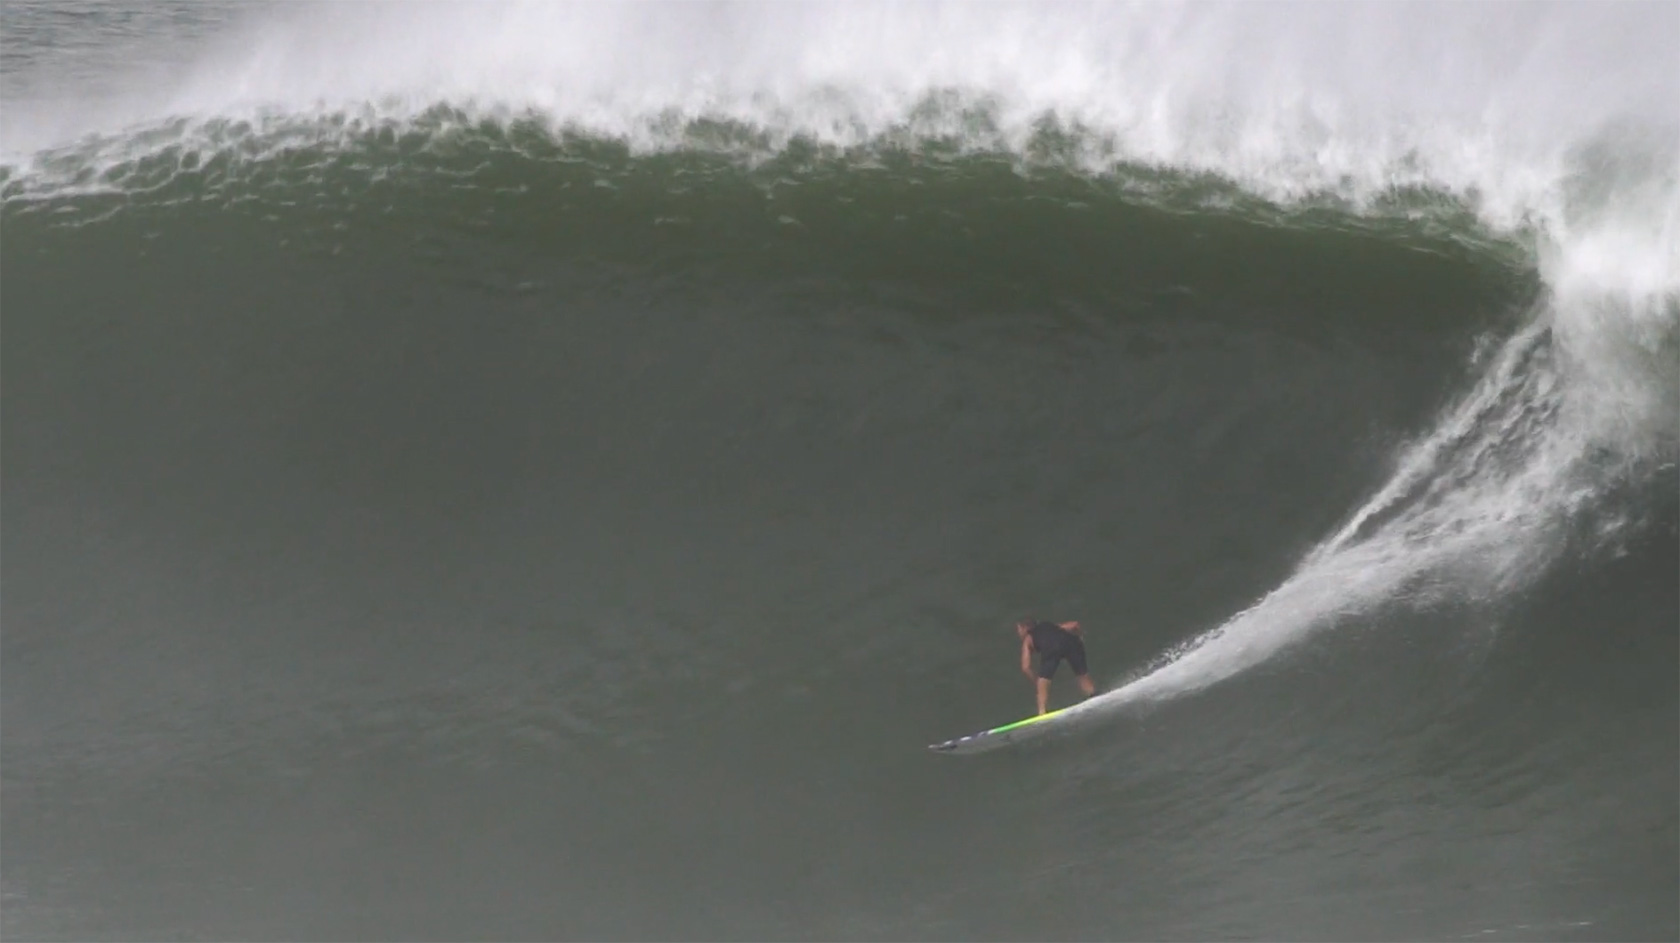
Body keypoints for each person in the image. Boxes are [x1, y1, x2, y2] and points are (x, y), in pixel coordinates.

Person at [1017, 618, 1095, 715]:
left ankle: (1042, 712)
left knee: (1042, 683)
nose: (1018, 633)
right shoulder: (1051, 626)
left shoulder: (1028, 638)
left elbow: (1026, 667)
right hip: (1072, 642)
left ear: (1025, 628)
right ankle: (1093, 695)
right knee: (1082, 674)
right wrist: (1080, 635)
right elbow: (1074, 624)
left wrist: (1037, 682)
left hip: (1052, 648)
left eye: (1019, 629)